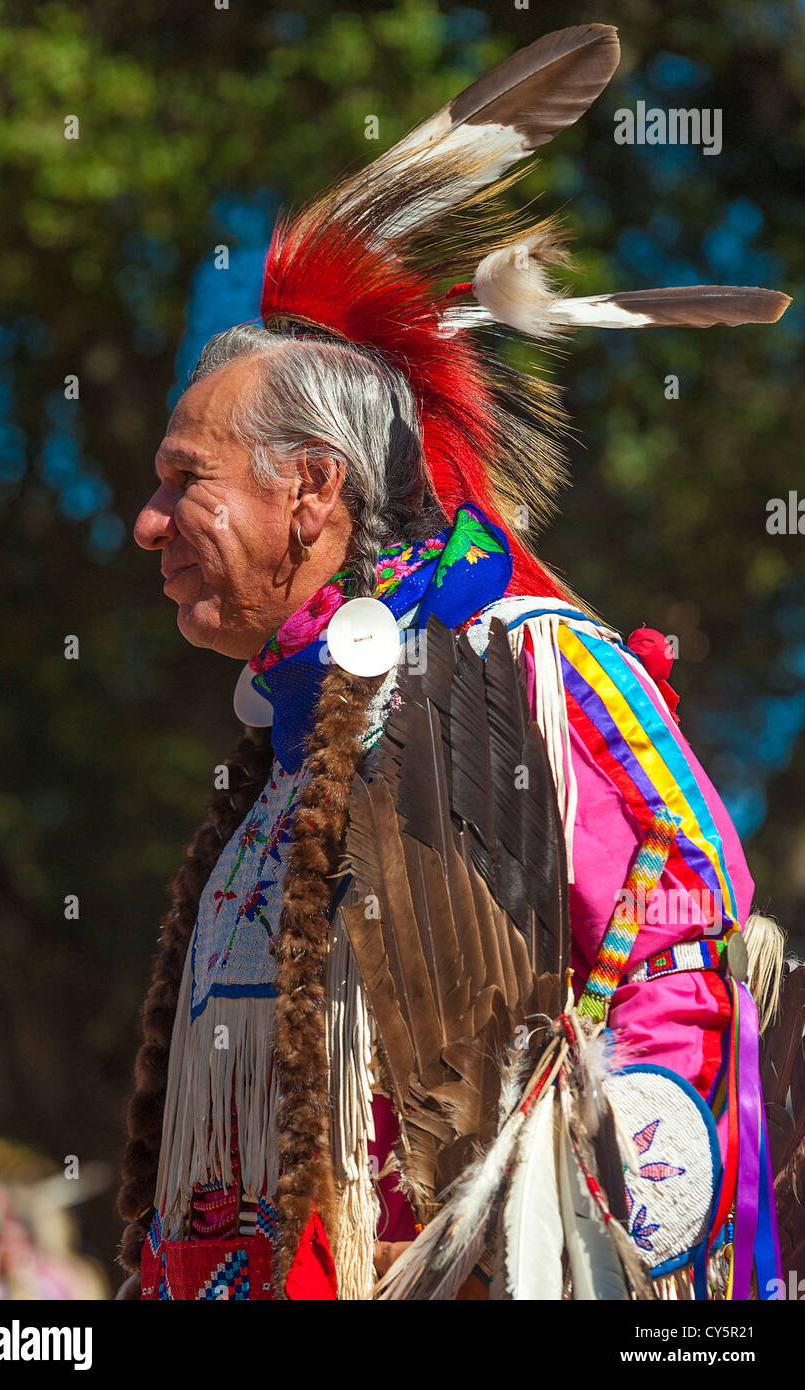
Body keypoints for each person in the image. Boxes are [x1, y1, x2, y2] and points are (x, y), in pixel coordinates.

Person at [116, 24, 791, 1300]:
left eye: (180, 482)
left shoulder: (531, 669)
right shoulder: (288, 746)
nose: (147, 526)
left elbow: (681, 943)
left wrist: (569, 1235)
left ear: (313, 489)